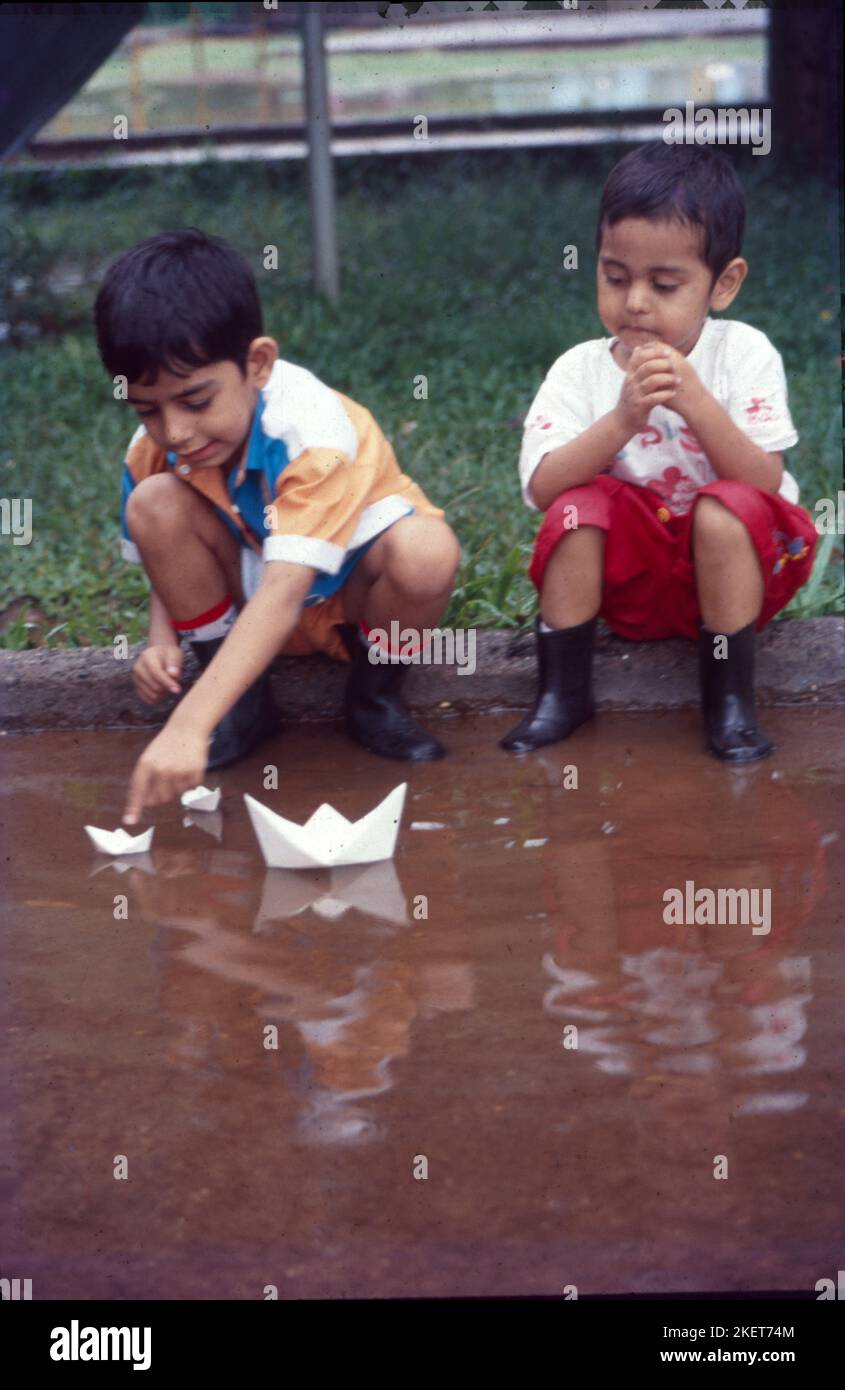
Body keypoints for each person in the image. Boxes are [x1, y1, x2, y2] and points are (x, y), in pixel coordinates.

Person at [93, 230, 460, 825]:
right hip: (254, 598)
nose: (175, 431)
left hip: (346, 598)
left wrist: (188, 724)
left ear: (257, 364)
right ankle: (242, 704)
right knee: (155, 502)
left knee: (428, 552)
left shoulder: (312, 433)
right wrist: (161, 638)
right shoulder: (153, 446)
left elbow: (287, 592)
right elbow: (161, 548)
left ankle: (375, 698)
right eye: (147, 409)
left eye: (194, 401)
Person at [502, 141, 816, 763]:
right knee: (578, 506)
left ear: (723, 284)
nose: (636, 302)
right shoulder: (579, 371)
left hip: (743, 569)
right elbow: (543, 489)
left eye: (664, 283)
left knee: (726, 507)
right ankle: (562, 694)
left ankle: (729, 702)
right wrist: (622, 419)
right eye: (615, 277)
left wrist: (696, 403)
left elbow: (764, 479)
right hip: (638, 577)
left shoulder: (744, 355)